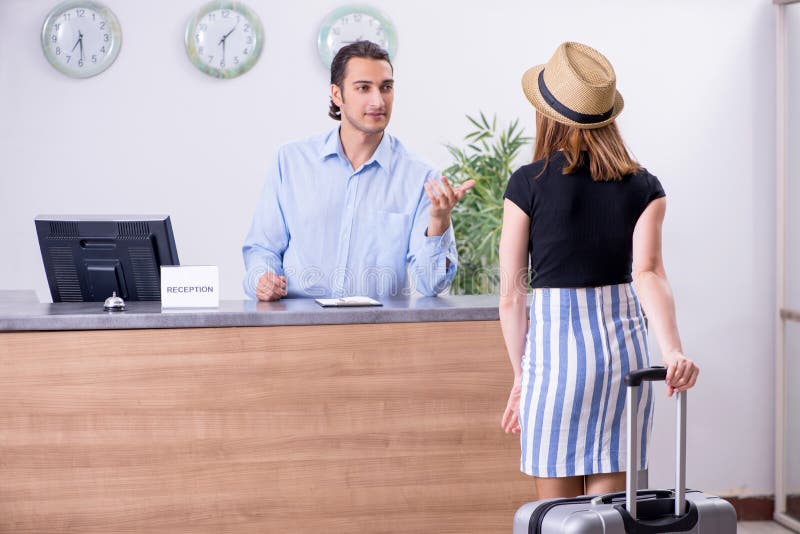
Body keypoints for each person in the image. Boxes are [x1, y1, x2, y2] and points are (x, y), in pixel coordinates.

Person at [498, 42, 699, 499]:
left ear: (547, 114)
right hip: (619, 361)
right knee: (610, 515)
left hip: (554, 365)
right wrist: (671, 351)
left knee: (560, 519)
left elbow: (512, 294)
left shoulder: (526, 184)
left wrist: (520, 378)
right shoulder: (646, 186)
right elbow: (648, 274)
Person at [242, 41, 474, 300]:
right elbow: (261, 249)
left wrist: (439, 221)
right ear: (337, 94)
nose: (378, 100)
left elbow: (431, 284)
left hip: (377, 333)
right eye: (363, 88)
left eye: (386, 87)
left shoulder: (421, 177)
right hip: (298, 329)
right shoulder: (291, 161)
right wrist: (263, 279)